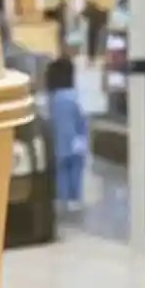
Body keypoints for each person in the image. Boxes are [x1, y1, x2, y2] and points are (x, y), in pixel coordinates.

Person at [46, 57, 88, 211]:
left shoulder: (51, 99)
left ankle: (61, 199)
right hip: (76, 142)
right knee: (75, 173)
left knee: (60, 174)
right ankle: (74, 198)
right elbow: (82, 120)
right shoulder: (74, 97)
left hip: (58, 144)